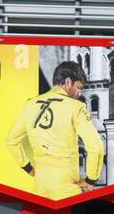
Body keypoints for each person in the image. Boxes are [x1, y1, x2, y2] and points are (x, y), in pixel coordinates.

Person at [5, 61, 104, 200]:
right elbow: (96, 146)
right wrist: (90, 180)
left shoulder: (29, 105)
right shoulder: (77, 107)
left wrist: (28, 167)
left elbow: (11, 140)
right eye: (78, 87)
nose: (79, 93)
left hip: (40, 187)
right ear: (68, 82)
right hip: (67, 189)